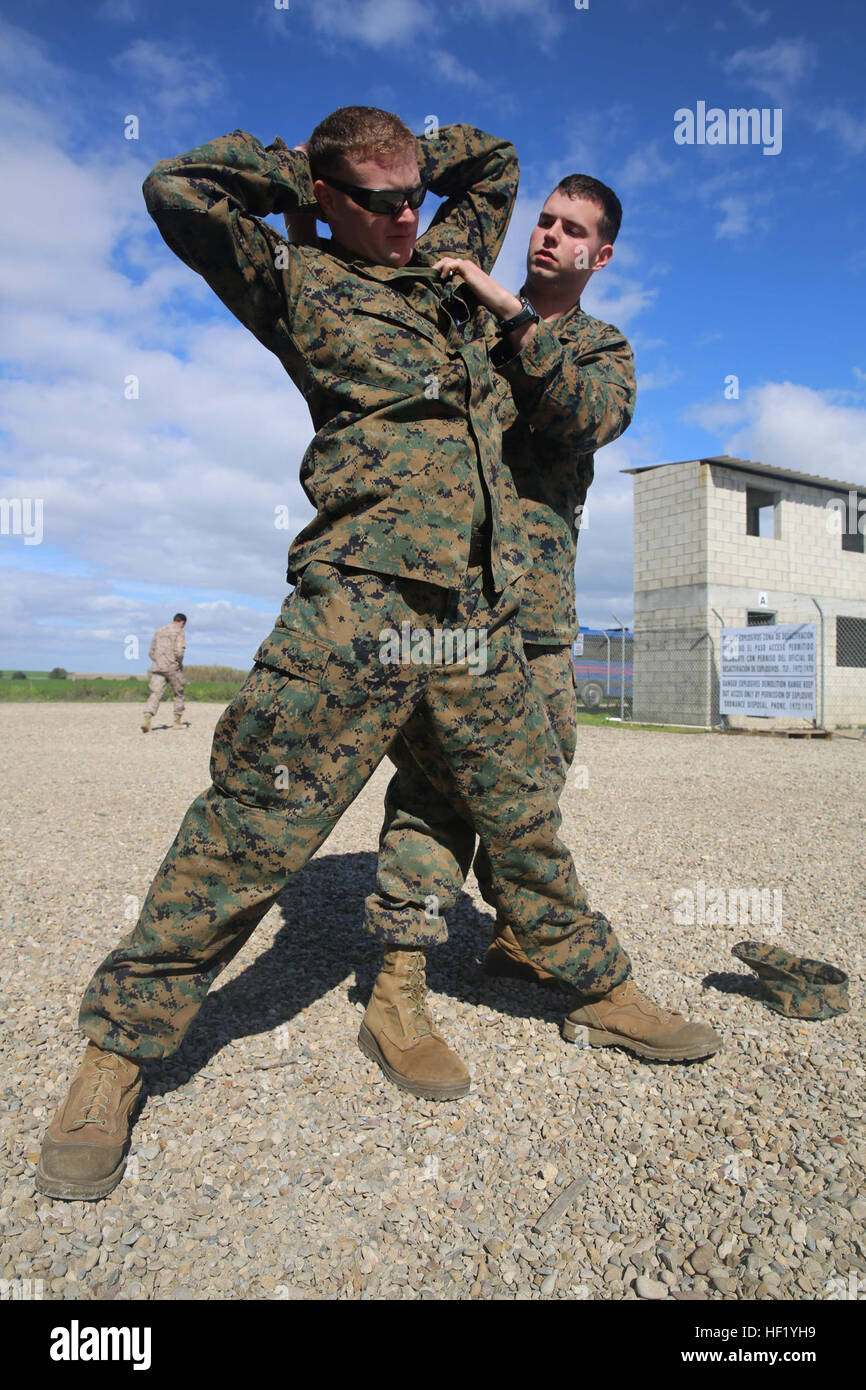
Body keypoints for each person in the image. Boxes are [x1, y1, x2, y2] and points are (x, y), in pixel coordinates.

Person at [37, 107, 716, 1205]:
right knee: (251, 828)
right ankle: (115, 1055)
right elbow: (176, 188)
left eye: (415, 198)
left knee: (526, 821)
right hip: (355, 607)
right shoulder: (292, 278)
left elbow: (491, 158)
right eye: (381, 201)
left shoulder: (453, 277)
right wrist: (303, 174)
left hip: (478, 619)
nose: (408, 218)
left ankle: (597, 986)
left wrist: (408, 161)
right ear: (326, 199)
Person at [367, 176, 647, 998]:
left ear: (601, 255)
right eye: (545, 220)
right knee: (438, 783)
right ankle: (400, 975)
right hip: (451, 599)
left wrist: (516, 320)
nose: (550, 236)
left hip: (538, 616)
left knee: (536, 780)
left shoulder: (600, 347)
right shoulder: (462, 317)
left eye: (573, 230)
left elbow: (587, 417)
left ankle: (520, 933)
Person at [141, 613, 186, 732]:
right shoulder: (179, 631)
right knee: (179, 693)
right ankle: (177, 722)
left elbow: (151, 651)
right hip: (173, 667)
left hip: (157, 667)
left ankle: (147, 718)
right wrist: (178, 663)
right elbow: (179, 651)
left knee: (155, 693)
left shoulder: (159, 631)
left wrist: (158, 661)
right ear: (182, 622)